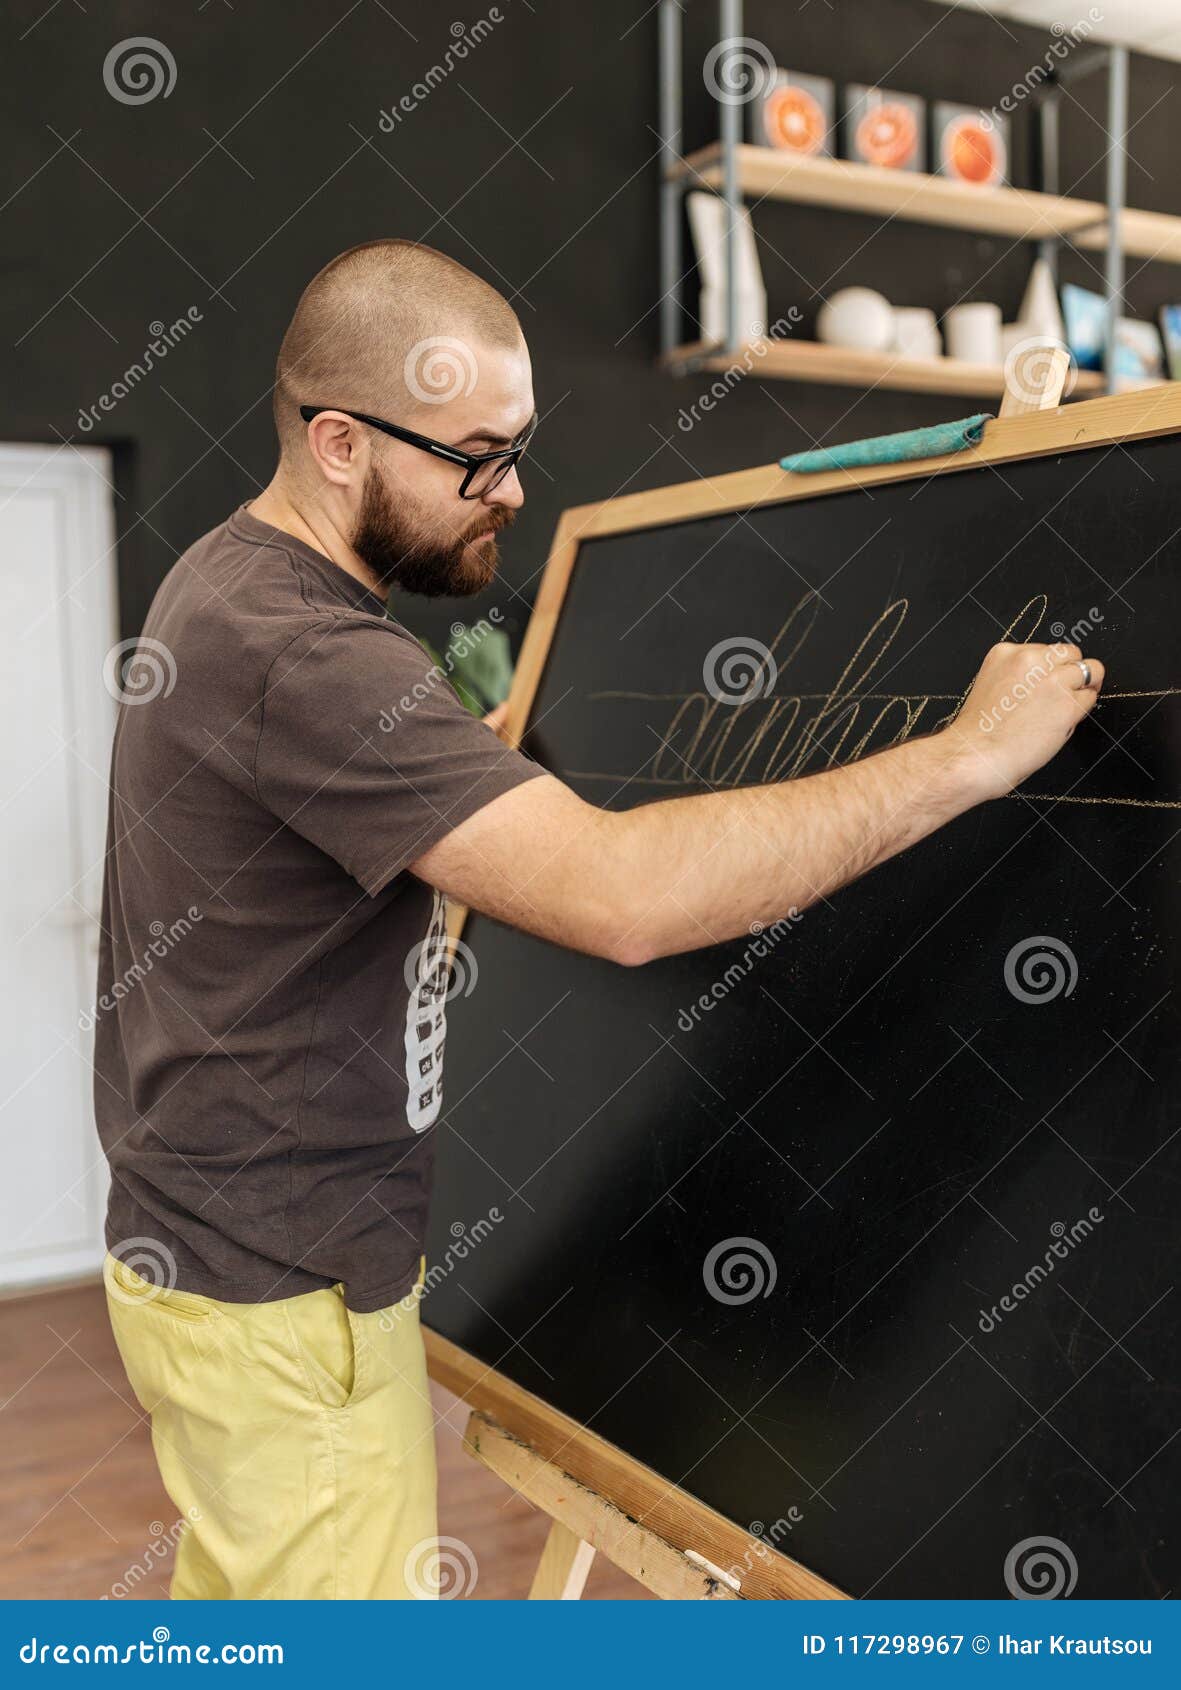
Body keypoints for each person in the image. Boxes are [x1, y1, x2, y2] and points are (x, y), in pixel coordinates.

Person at [96, 239, 1105, 1600]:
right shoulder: (303, 653)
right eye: (473, 458)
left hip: (225, 1263)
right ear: (339, 442)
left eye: (516, 449)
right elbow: (624, 901)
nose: (508, 493)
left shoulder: (229, 586)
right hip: (285, 1299)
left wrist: (460, 778)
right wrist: (965, 756)